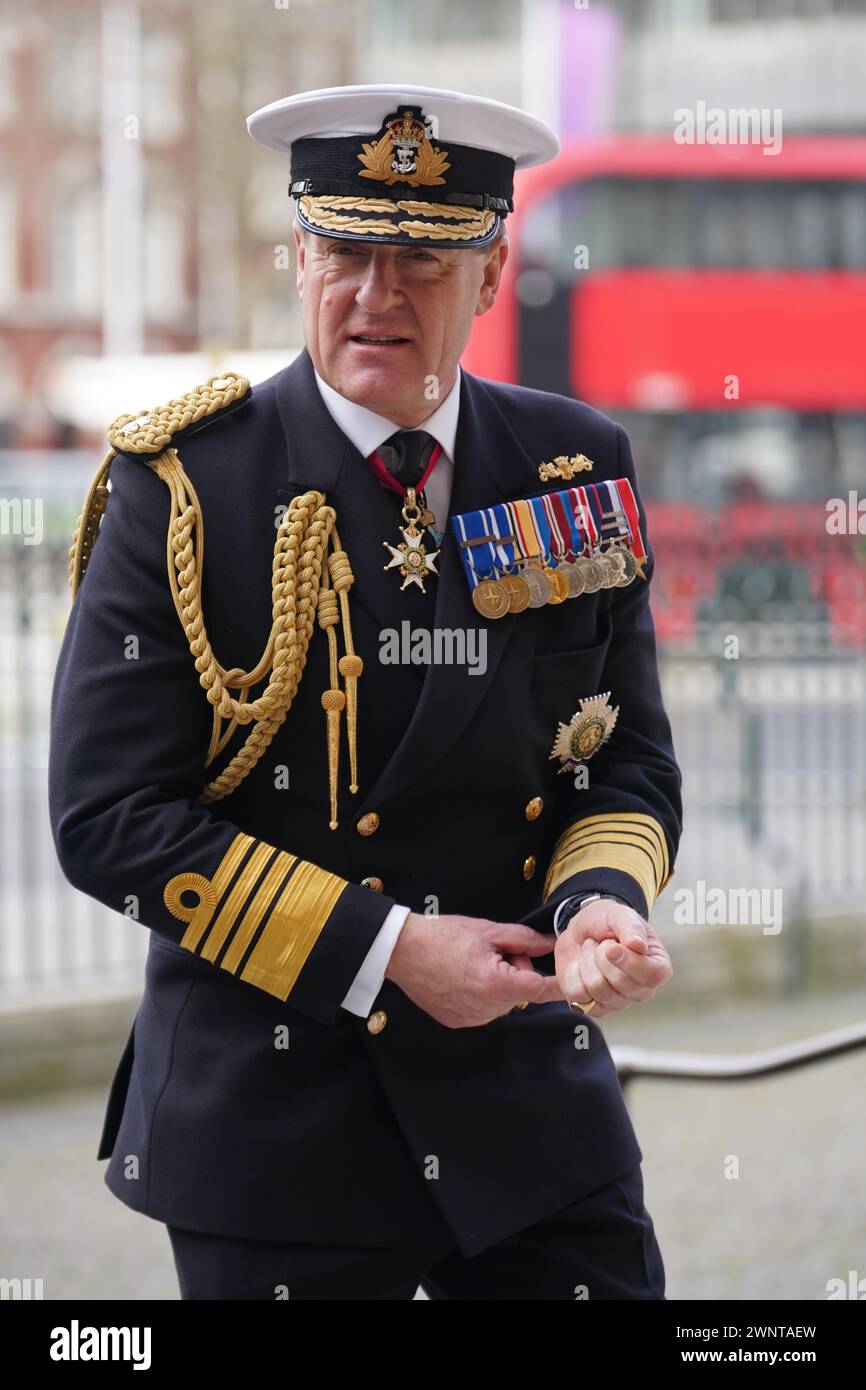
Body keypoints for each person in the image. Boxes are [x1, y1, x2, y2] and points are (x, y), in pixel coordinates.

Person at [48, 83, 682, 1300]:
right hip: (276, 1130)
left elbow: (619, 758)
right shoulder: (182, 488)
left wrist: (597, 902)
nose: (373, 295)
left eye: (421, 263)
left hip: (528, 1112)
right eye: (342, 253)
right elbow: (108, 816)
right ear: (299, 258)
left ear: (491, 276)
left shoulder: (570, 467)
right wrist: (388, 950)